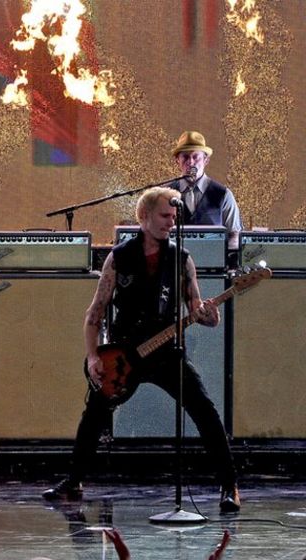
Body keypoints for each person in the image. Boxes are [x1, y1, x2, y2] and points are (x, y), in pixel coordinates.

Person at [42, 187, 240, 513]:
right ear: (144, 216)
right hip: (124, 354)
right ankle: (74, 481)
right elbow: (94, 314)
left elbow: (202, 313)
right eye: (164, 216)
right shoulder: (118, 257)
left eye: (174, 217)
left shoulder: (181, 259)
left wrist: (208, 312)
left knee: (204, 410)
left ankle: (229, 485)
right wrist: (94, 357)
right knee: (94, 415)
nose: (170, 222)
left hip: (165, 351)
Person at [168, 131, 243, 250]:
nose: (190, 162)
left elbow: (234, 234)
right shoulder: (166, 194)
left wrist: (226, 262)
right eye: (185, 157)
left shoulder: (223, 194)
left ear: (206, 160)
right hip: (173, 265)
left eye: (195, 157)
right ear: (177, 160)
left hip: (213, 265)